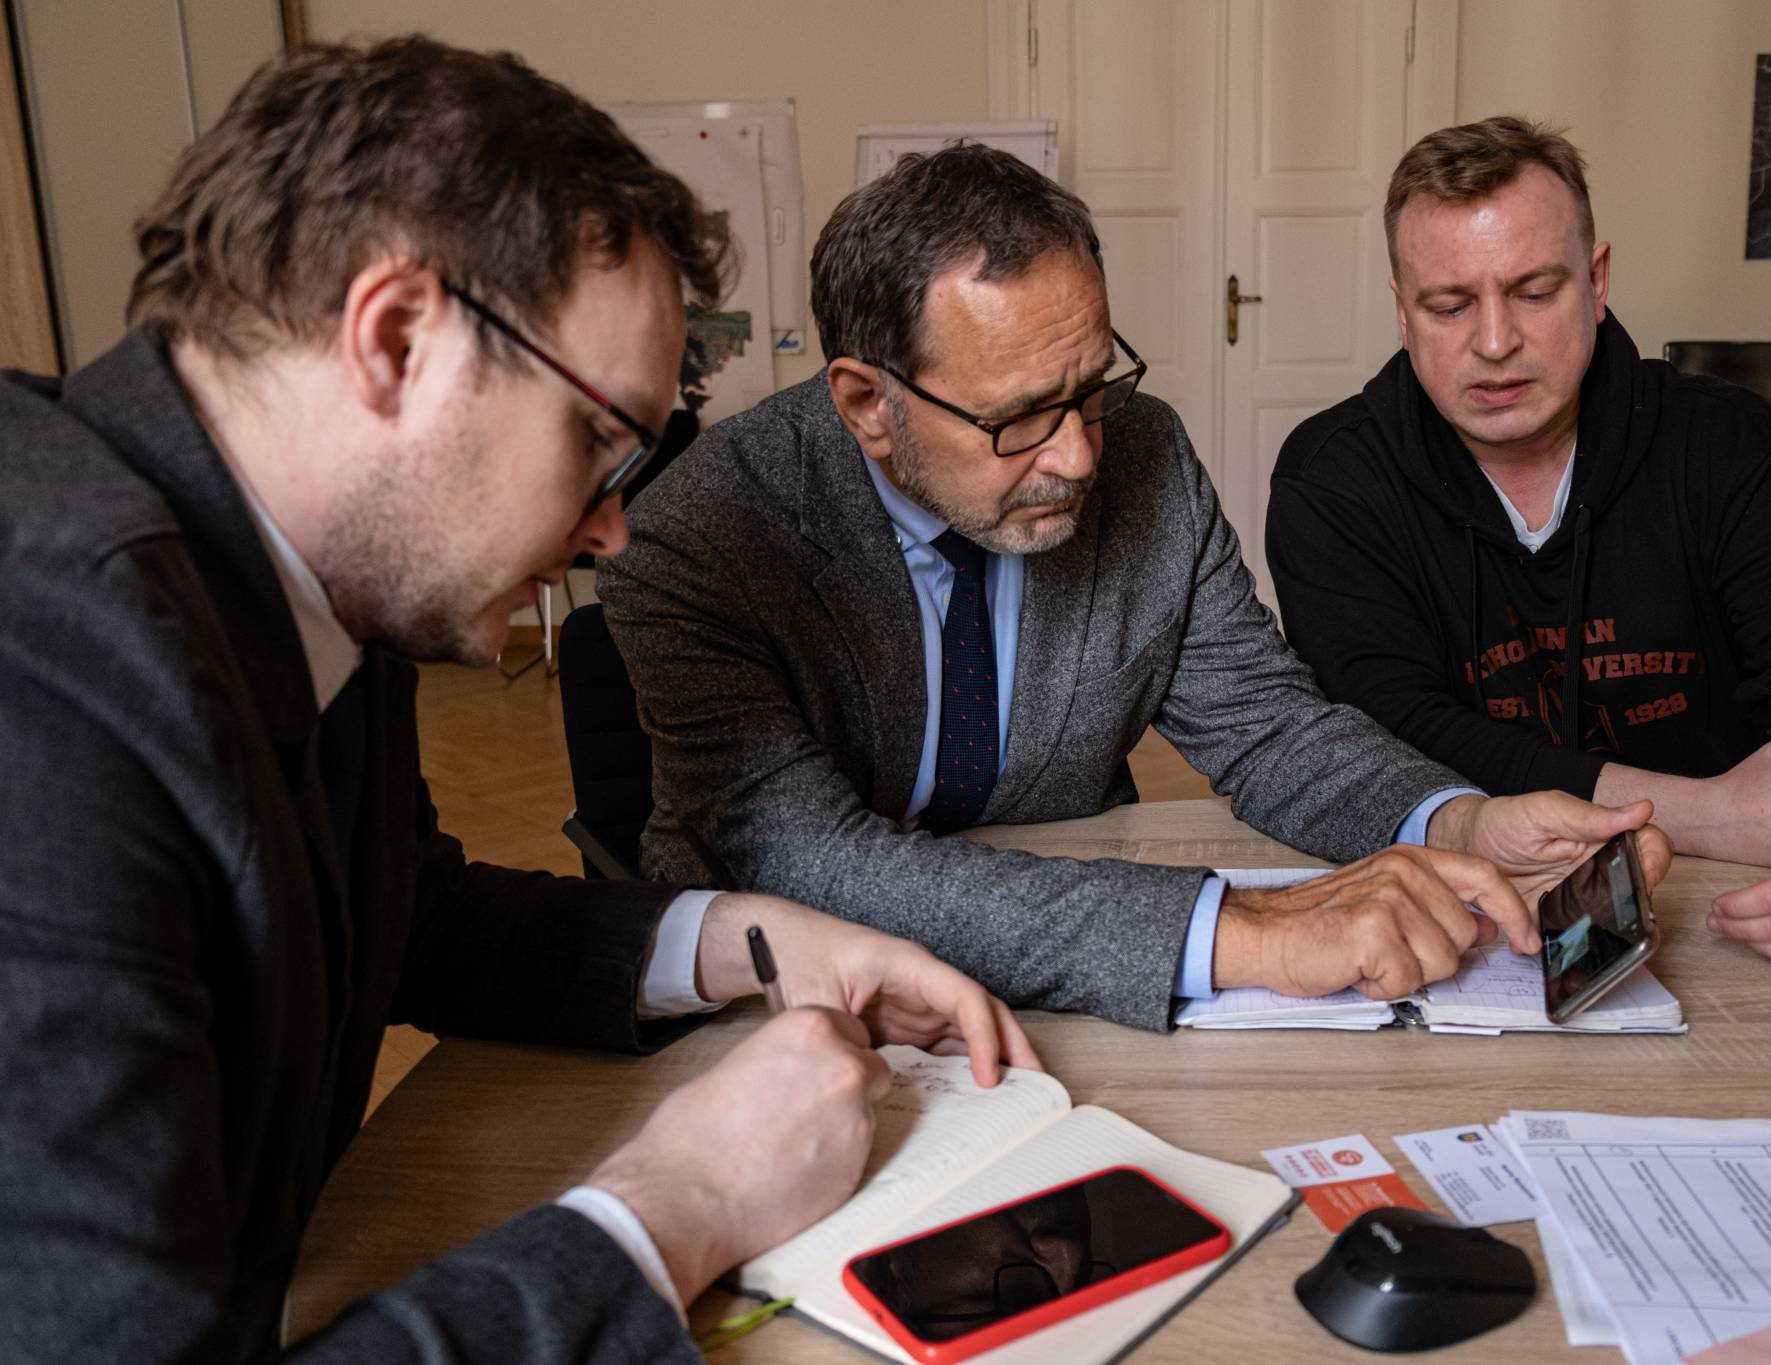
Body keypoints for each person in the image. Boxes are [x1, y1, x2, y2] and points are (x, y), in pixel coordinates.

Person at [0, 38, 1037, 1365]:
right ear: (395, 337)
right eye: (601, 445)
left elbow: (396, 918)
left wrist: (745, 938)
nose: (610, 532)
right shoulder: (48, 669)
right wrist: (679, 1204)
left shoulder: (301, 575)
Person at [599, 142, 1673, 1035]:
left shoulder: (1144, 452)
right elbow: (801, 861)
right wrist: (1244, 934)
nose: (1076, 456)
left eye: (1092, 388)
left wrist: (1454, 824)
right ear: (866, 402)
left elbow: (1264, 727)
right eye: (1018, 417)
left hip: (1090, 977)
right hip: (784, 1002)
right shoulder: (700, 531)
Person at [1266, 116, 1771, 977]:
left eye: (1533, 291)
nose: (1492, 342)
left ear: (1595, 283)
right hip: (1476, 898)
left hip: (1740, 904)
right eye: (1448, 305)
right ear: (1402, 312)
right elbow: (1382, 731)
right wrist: (1692, 809)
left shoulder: (1739, 448)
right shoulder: (1333, 478)